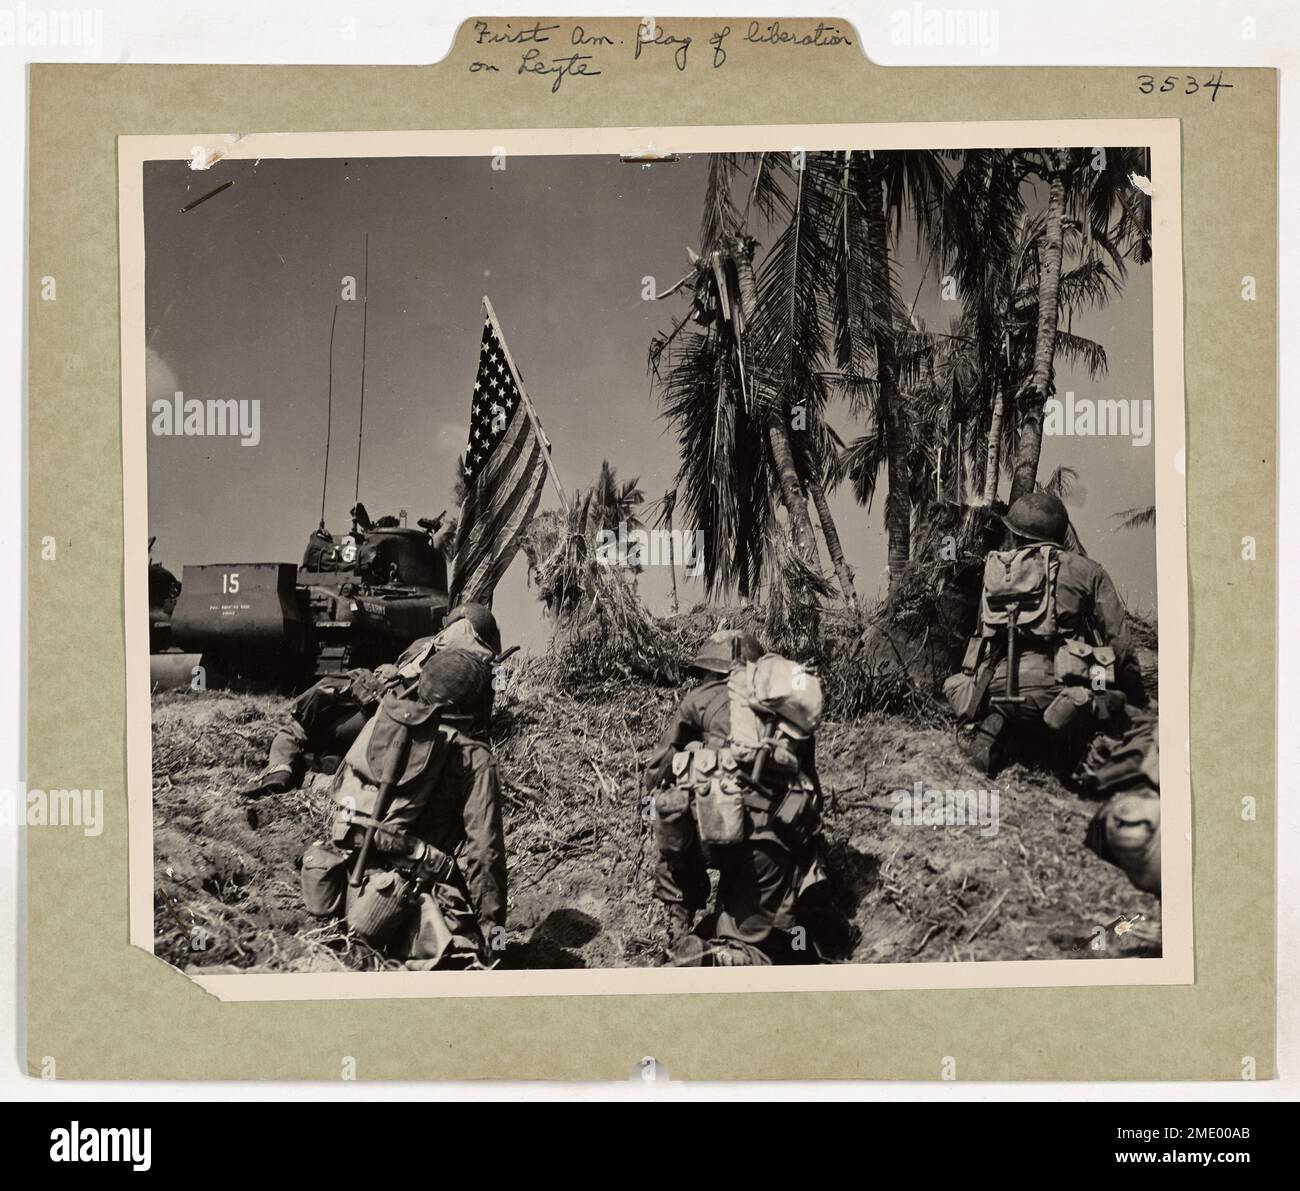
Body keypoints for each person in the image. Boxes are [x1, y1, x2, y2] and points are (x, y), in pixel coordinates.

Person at [945, 491, 1160, 893]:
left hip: (995, 688)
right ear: (1060, 534)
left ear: (1013, 533)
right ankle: (1078, 752)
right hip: (1056, 691)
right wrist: (1133, 699)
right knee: (1118, 712)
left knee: (1014, 705)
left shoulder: (996, 572)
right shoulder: (1086, 570)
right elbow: (1123, 647)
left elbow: (981, 640)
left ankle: (998, 730)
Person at [303, 647, 507, 969]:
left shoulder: (384, 725)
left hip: (341, 882)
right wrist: (495, 938)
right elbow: (485, 854)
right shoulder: (473, 757)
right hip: (408, 899)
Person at [644, 631, 829, 966]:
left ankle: (681, 925)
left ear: (711, 671)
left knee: (672, 811)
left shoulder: (697, 700)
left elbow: (655, 774)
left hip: (705, 831)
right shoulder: (789, 717)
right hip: (767, 841)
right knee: (756, 942)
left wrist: (694, 752)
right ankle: (728, 954)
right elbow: (813, 792)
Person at [239, 602, 501, 798]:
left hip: (382, 713)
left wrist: (389, 673)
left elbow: (404, 675)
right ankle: (314, 773)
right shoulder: (482, 669)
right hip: (409, 729)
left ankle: (283, 769)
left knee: (299, 727)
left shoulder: (434, 643)